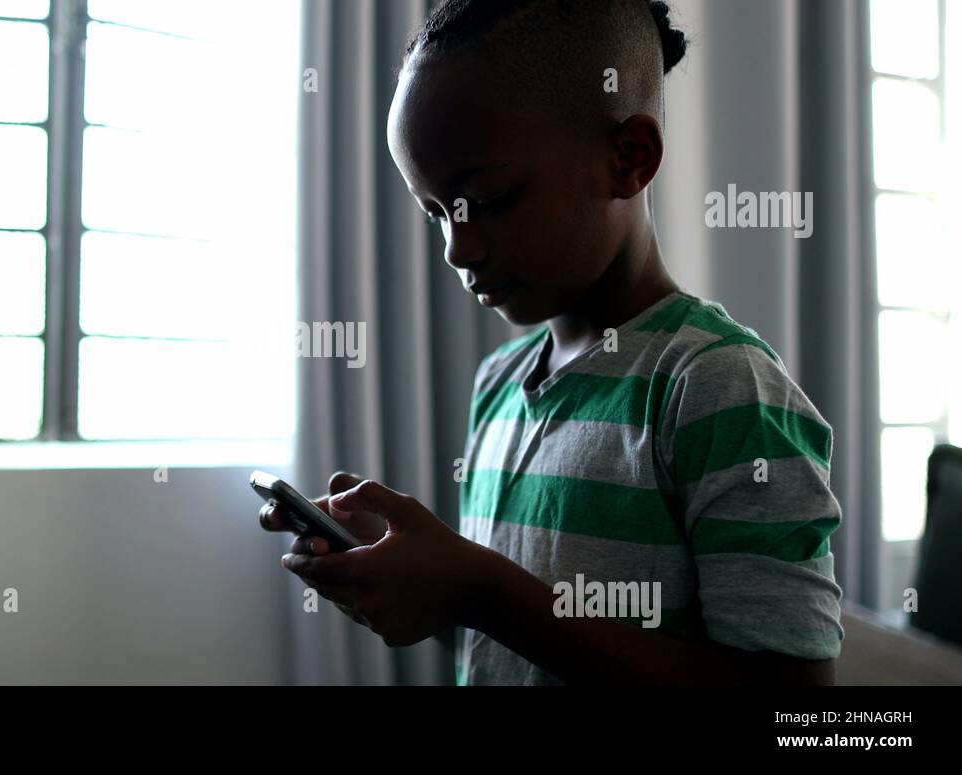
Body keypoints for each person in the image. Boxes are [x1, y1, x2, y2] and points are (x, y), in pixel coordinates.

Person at [260, 0, 843, 685]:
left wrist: (486, 591)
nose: (457, 247)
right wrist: (422, 587)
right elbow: (519, 644)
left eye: (493, 199)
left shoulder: (719, 388)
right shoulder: (499, 384)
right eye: (436, 211)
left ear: (628, 158)